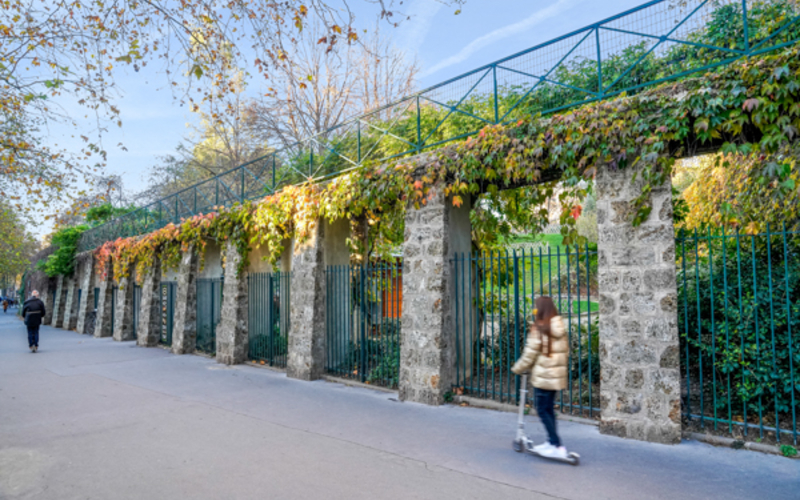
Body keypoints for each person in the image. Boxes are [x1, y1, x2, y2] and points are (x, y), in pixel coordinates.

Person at [511, 296, 570, 459]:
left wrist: (517, 368)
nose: (534, 311)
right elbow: (566, 352)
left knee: (543, 410)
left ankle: (556, 444)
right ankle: (552, 442)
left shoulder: (540, 328)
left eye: (536, 308)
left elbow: (530, 354)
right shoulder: (559, 326)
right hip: (556, 378)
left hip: (544, 377)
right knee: (548, 410)